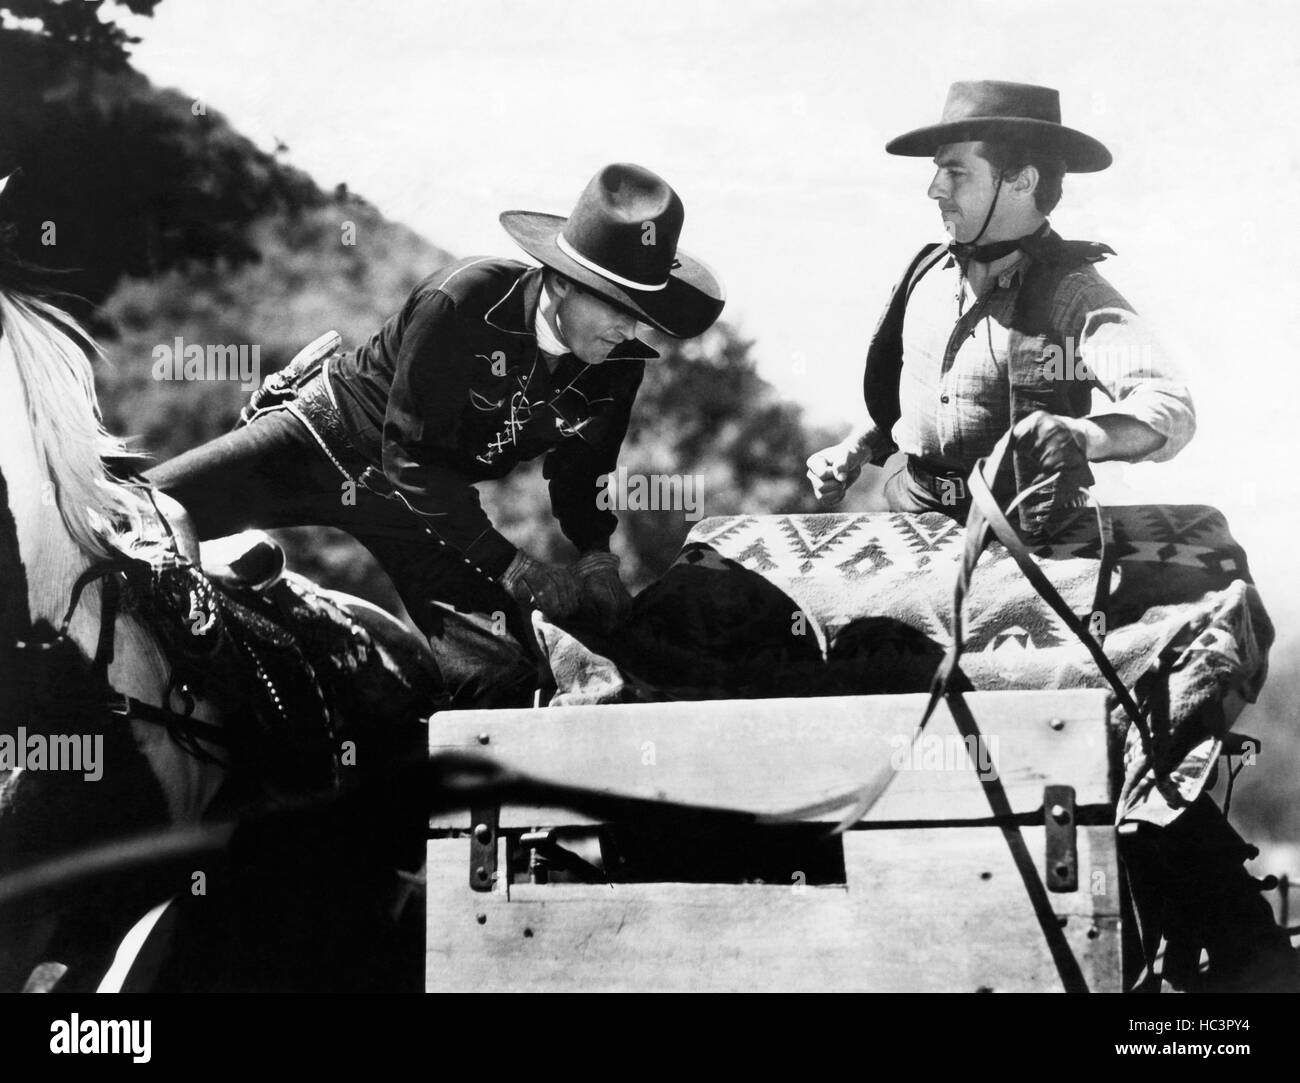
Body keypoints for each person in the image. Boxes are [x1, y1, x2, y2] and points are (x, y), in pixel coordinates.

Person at [148, 163, 724, 708]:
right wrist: (515, 567)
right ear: (563, 283)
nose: (629, 327)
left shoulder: (619, 364)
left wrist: (597, 556)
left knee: (501, 677)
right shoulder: (461, 298)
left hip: (421, 513)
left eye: (642, 310)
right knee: (126, 524)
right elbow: (411, 457)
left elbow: (582, 472)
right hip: (316, 443)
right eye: (615, 305)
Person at [807, 81, 1195, 535]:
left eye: (956, 173)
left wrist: (1084, 437)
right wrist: (855, 446)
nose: (934, 189)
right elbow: (907, 391)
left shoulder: (1075, 295)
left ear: (1020, 181)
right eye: (937, 172)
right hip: (908, 519)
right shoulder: (923, 274)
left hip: (1026, 537)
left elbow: (1170, 407)